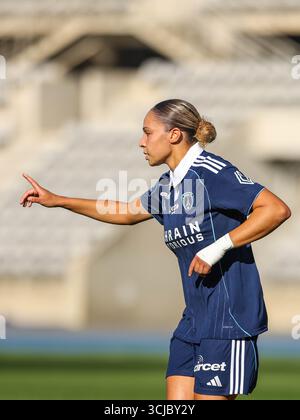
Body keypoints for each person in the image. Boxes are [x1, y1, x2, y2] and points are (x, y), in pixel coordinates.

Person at [20, 99, 291, 401]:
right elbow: (126, 212)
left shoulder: (211, 172)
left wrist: (216, 249)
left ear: (174, 135)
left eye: (147, 133)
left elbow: (276, 209)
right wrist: (58, 199)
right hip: (194, 320)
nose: (141, 142)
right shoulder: (169, 185)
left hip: (228, 319)